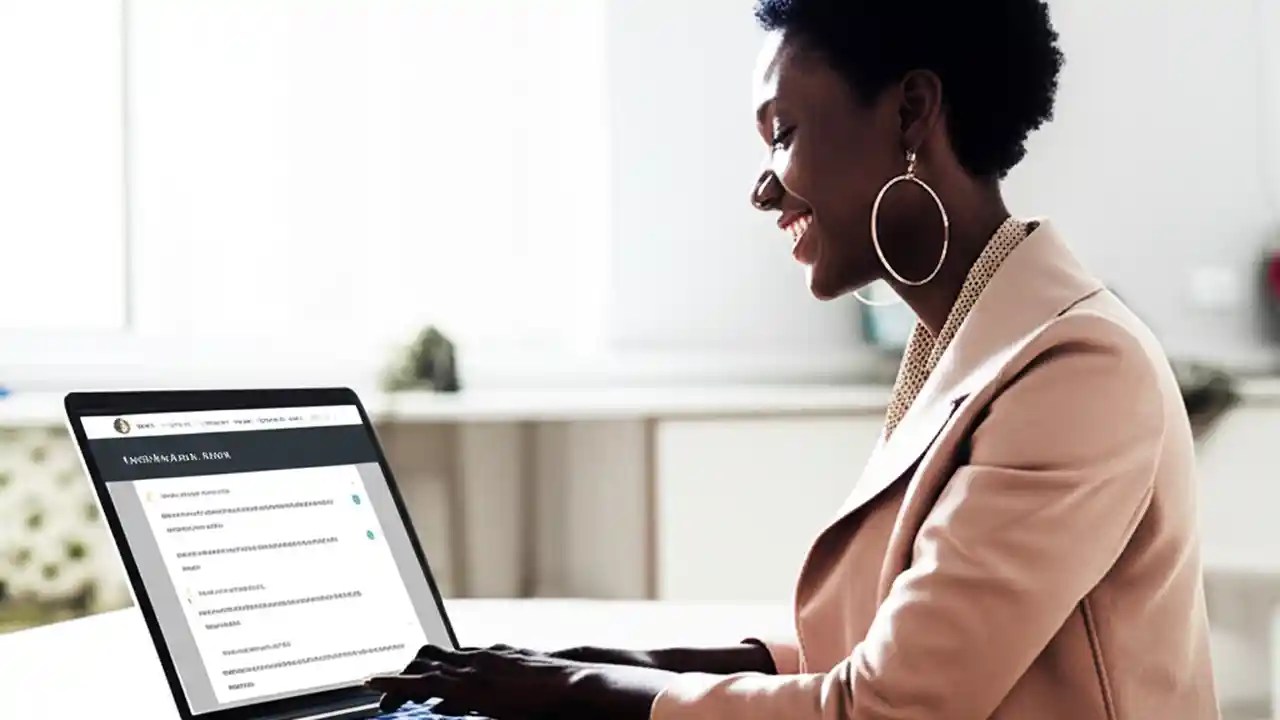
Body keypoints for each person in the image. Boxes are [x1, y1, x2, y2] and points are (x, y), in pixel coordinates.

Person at [367, 0, 1220, 717]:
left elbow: (882, 705)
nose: (763, 186)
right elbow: (881, 642)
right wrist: (641, 658)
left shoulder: (1077, 370)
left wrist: (584, 689)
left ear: (911, 114)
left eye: (783, 132)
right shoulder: (966, 340)